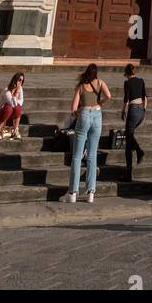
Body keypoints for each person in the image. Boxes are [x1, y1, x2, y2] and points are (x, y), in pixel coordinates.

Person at [64, 64, 111, 204]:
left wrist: (79, 113)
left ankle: (72, 192)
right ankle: (90, 192)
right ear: (96, 73)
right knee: (92, 154)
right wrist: (100, 104)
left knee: (77, 156)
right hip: (97, 114)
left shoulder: (81, 86)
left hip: (84, 114)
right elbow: (109, 96)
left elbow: (73, 108)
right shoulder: (100, 82)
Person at [121, 63, 147, 180]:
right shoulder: (141, 81)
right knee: (129, 138)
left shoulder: (127, 83)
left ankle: (138, 151)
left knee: (128, 137)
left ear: (126, 73)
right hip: (141, 110)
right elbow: (145, 98)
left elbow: (126, 99)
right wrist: (144, 110)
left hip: (133, 110)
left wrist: (123, 111)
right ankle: (136, 151)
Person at [0, 72, 25, 141]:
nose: (20, 82)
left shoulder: (20, 89)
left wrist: (18, 91)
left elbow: (20, 102)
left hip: (10, 118)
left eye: (22, 80)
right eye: (19, 79)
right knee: (9, 107)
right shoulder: (7, 90)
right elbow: (12, 104)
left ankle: (15, 130)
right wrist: (17, 92)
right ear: (14, 80)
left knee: (18, 107)